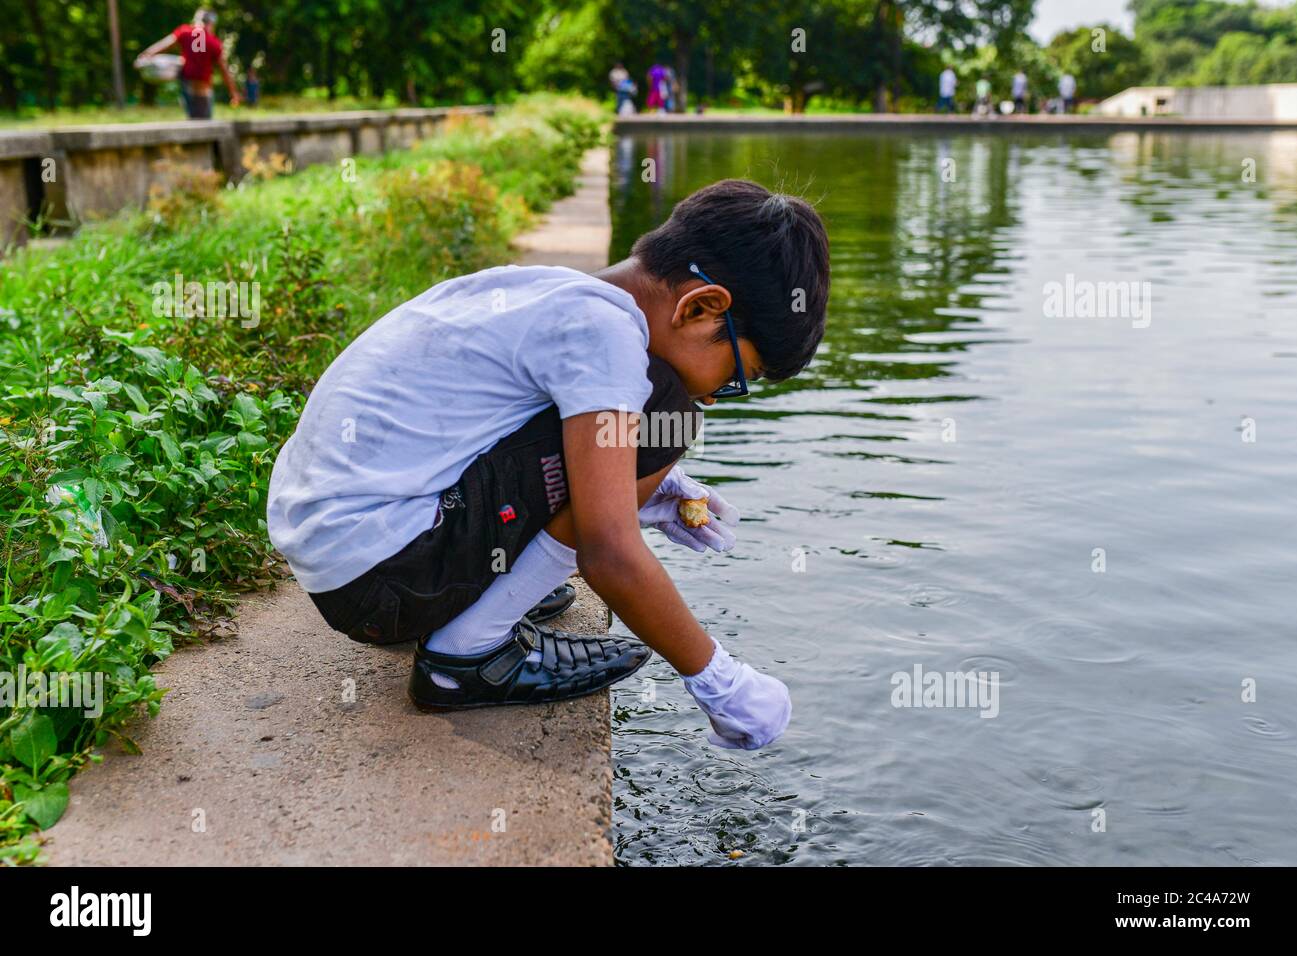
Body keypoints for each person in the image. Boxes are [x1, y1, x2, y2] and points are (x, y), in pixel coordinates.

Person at [266, 179, 830, 749]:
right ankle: (466, 655)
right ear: (703, 307)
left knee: (652, 415)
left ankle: (482, 592)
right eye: (737, 376)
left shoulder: (557, 293)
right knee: (669, 412)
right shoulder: (607, 337)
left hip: (342, 559)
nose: (716, 395)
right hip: (385, 579)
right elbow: (606, 553)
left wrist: (655, 484)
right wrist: (720, 681)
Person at [137, 8, 240, 119]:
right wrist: (233, 92)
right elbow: (224, 70)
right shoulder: (213, 42)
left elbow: (164, 44)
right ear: (212, 23)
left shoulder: (185, 32)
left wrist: (145, 55)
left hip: (187, 87)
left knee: (193, 120)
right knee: (204, 126)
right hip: (203, 91)